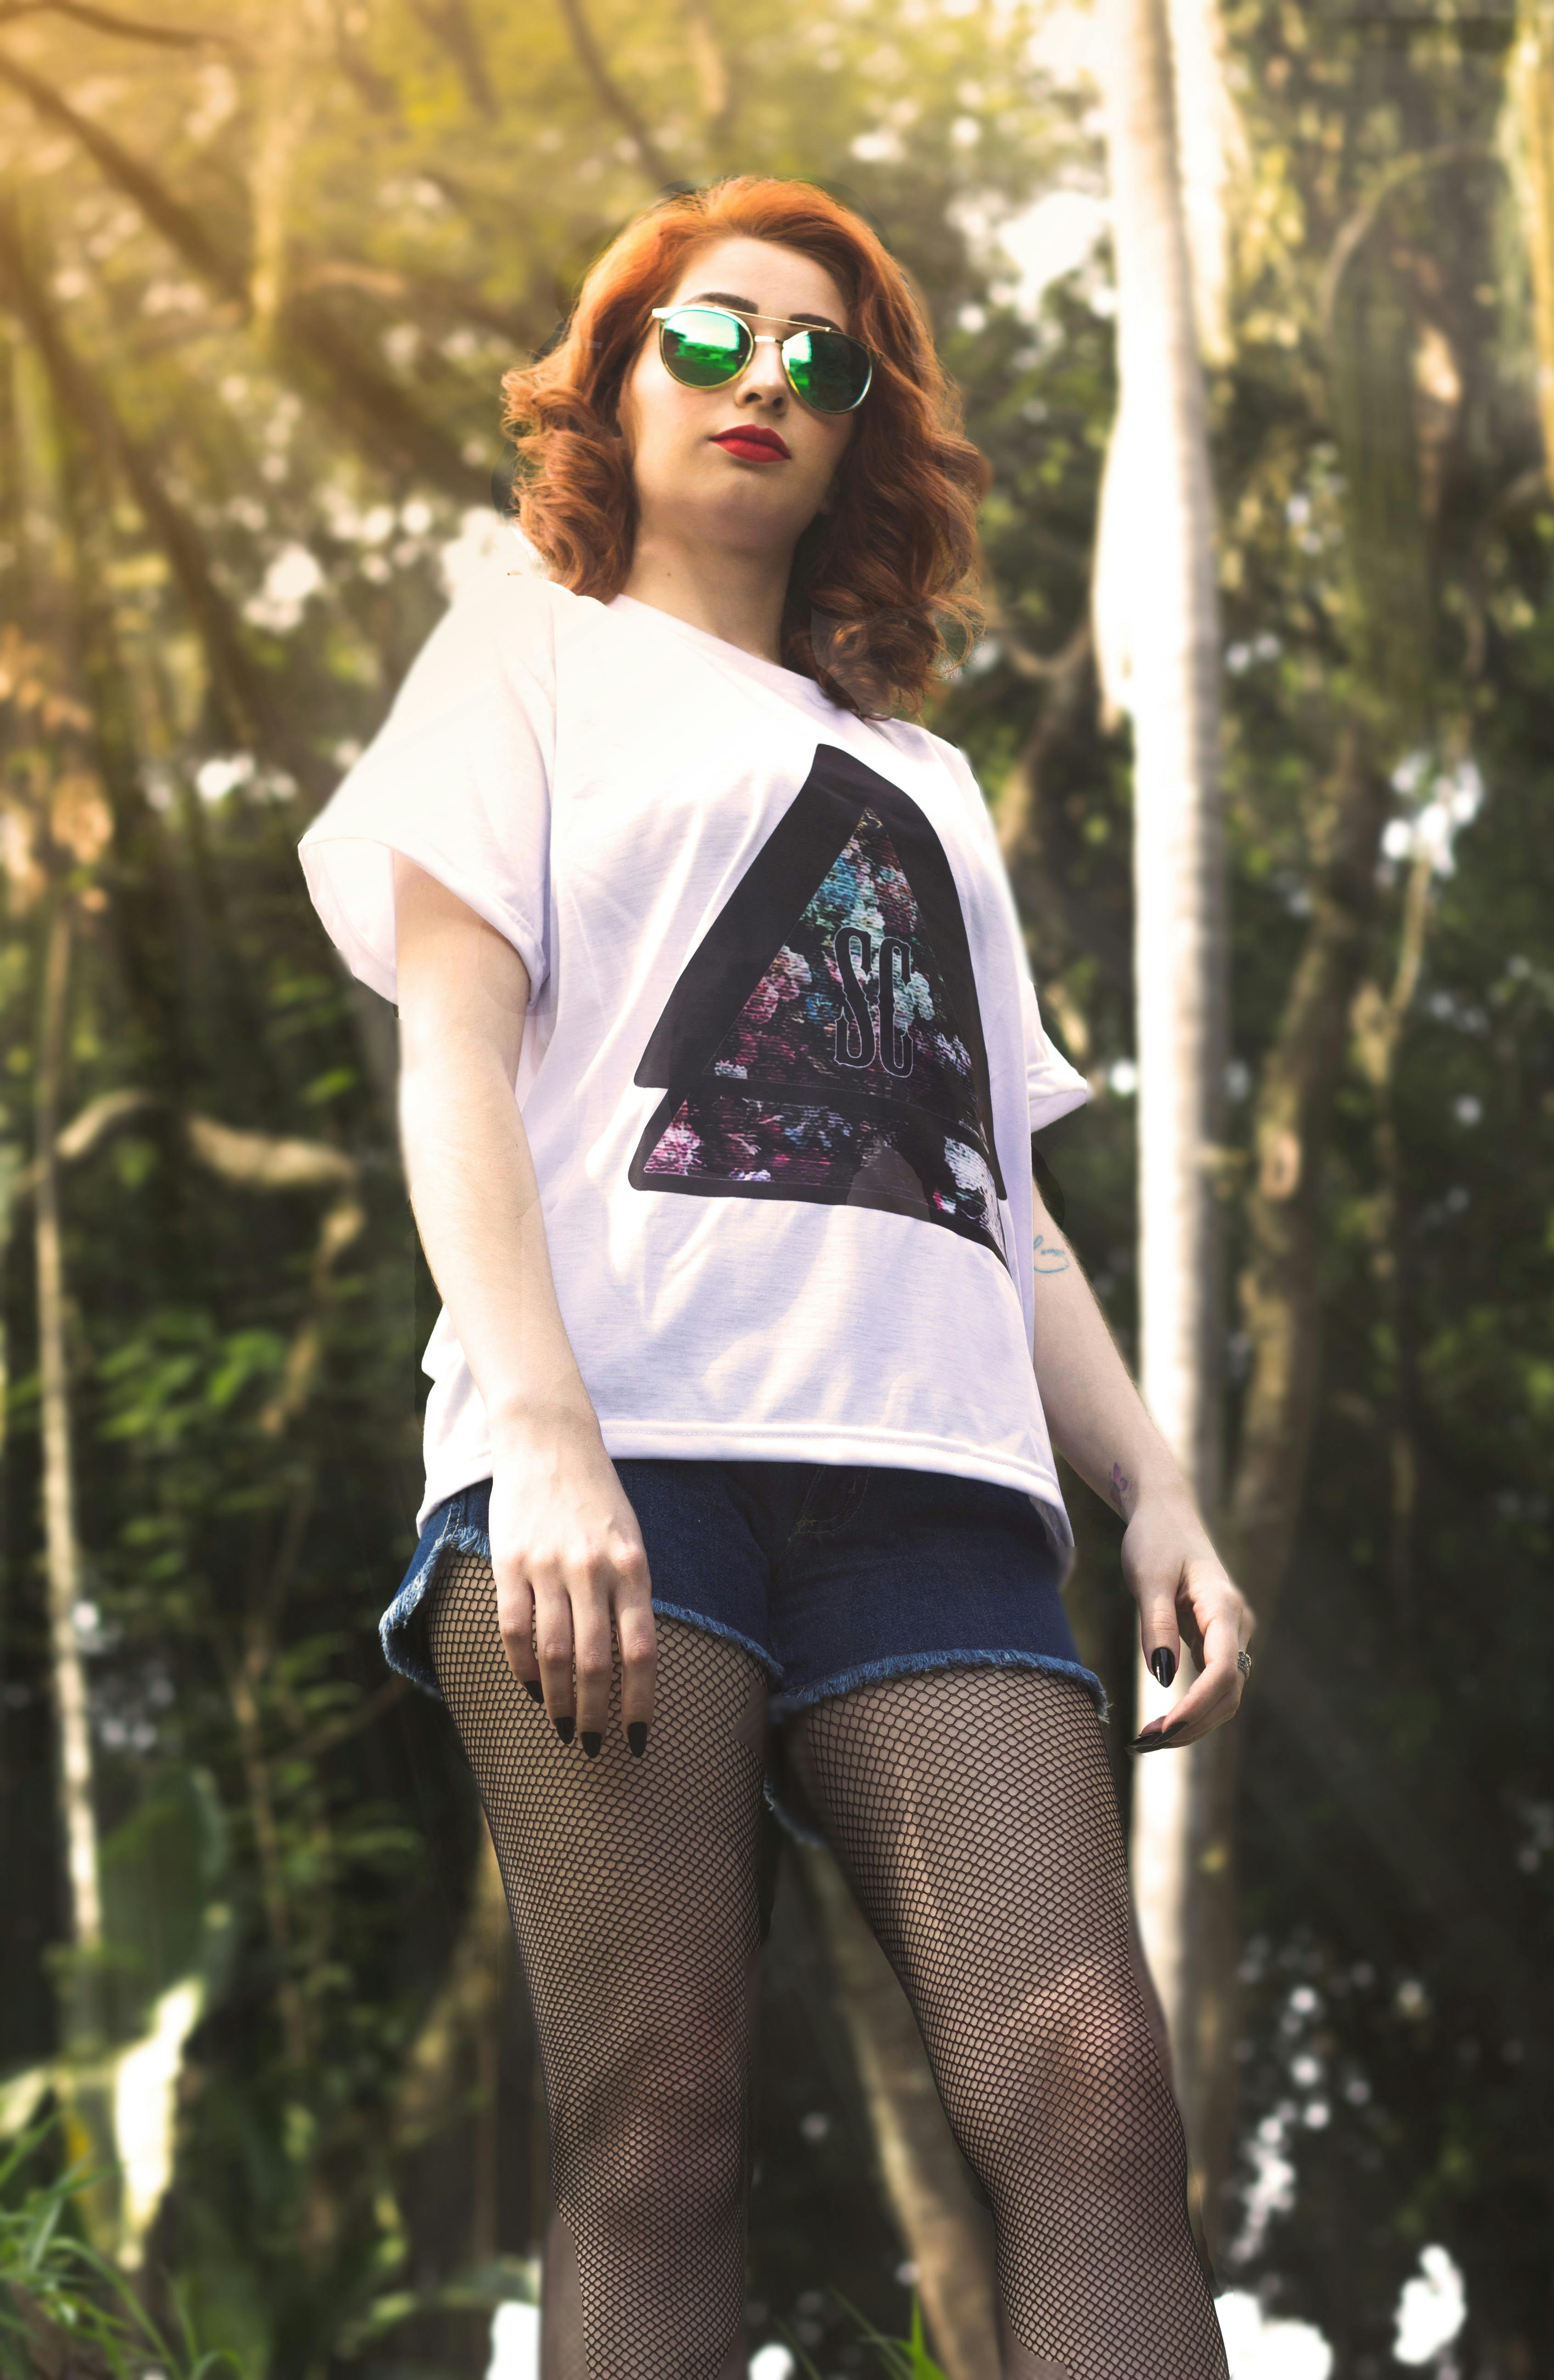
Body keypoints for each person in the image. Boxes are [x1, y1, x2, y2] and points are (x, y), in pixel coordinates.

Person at [299, 174, 1250, 2380]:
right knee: (657, 2121)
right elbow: (451, 1053)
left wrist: (1158, 1493)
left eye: (819, 358)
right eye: (708, 338)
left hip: (935, 1496)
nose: (761, 384)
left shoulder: (920, 777)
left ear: (860, 434)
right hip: (630, 1475)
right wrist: (541, 1435)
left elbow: (993, 1183)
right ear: (619, 380)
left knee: (1096, 2086)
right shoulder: (522, 652)